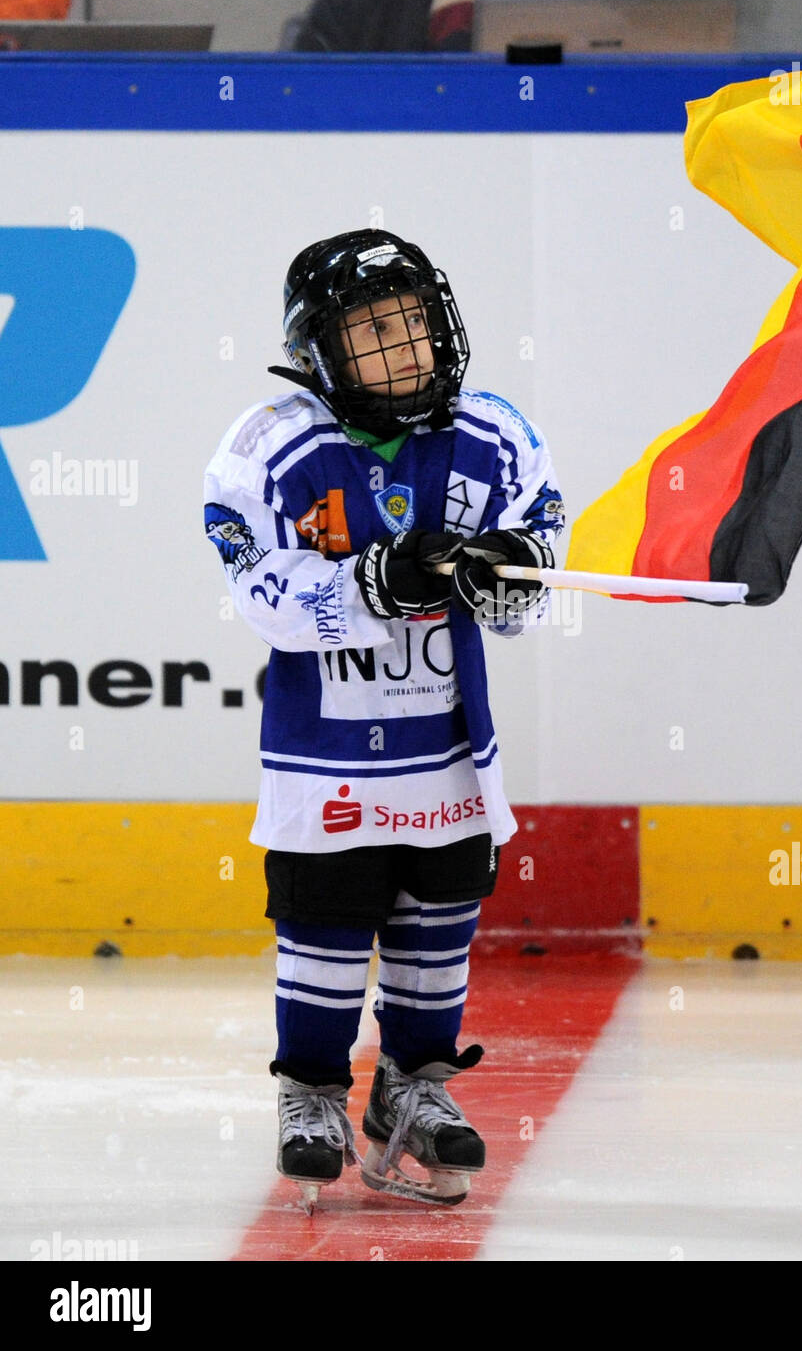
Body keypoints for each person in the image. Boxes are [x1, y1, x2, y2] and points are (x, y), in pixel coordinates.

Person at [203, 231, 564, 1209]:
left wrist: (512, 571)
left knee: (438, 924)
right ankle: (313, 1092)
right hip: (325, 760)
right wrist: (375, 580)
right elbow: (267, 596)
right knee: (323, 925)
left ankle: (411, 1085)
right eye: (373, 331)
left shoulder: (493, 437)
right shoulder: (273, 449)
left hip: (446, 755)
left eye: (412, 324)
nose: (403, 348)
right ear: (321, 351)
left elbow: (534, 587)